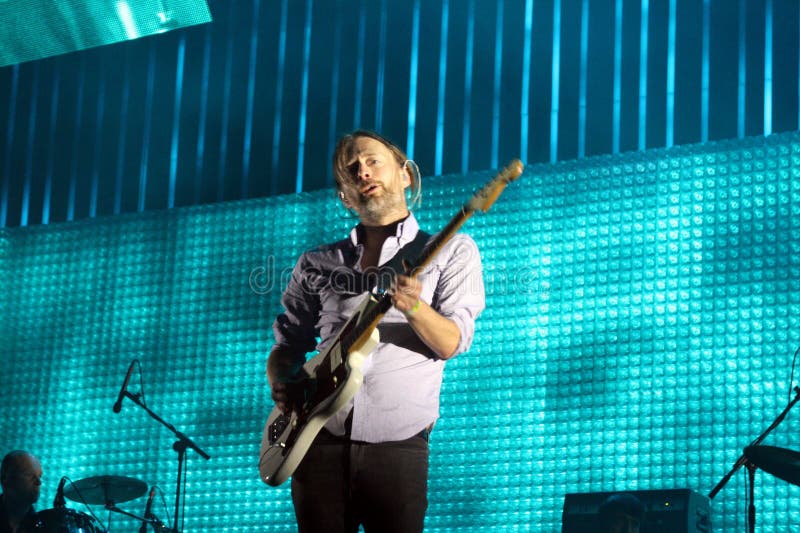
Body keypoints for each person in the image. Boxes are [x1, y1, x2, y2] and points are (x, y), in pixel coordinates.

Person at [267, 130, 485, 532]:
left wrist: (414, 307)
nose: (363, 172)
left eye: (372, 161)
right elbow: (287, 345)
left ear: (406, 175)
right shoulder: (315, 263)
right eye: (351, 169)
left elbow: (452, 342)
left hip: (398, 450)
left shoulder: (453, 250)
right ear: (344, 197)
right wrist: (281, 380)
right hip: (317, 443)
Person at [0, 451, 42, 533]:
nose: (39, 482)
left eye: (40, 476)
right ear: (5, 479)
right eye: (29, 475)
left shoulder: (41, 526)